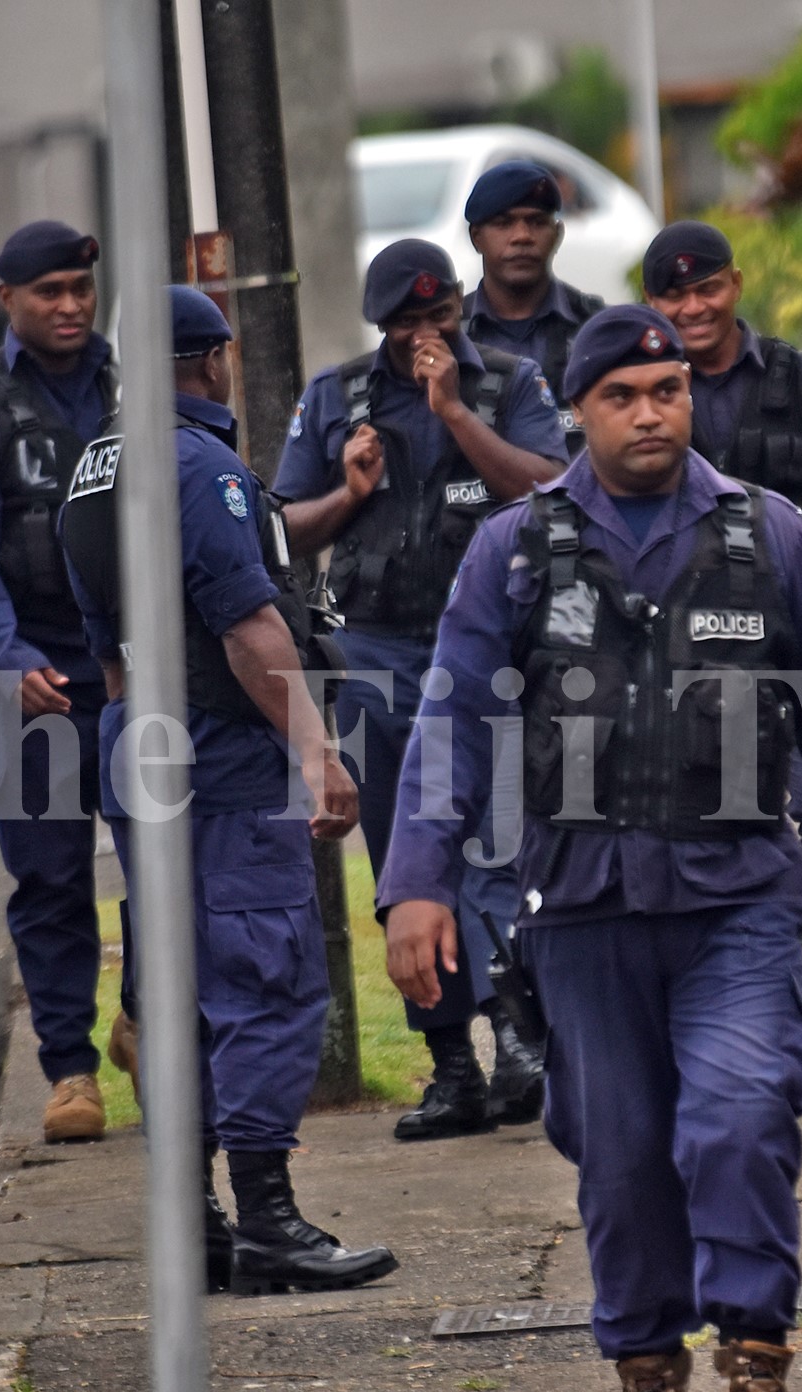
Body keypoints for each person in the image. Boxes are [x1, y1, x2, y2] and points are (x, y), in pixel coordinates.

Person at [381, 307, 802, 1392]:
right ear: (578, 408)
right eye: (623, 392)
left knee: (736, 1121)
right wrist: (416, 882)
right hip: (579, 911)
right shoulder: (517, 551)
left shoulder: (766, 536)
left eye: (667, 389)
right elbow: (451, 723)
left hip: (736, 900)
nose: (650, 412)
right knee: (622, 1167)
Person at [60, 286, 397, 1294]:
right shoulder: (201, 466)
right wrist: (314, 752)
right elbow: (249, 626)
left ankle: (197, 1220)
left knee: (174, 986)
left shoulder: (90, 467)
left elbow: (104, 648)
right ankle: (266, 1220)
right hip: (224, 754)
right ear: (210, 361)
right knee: (266, 977)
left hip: (141, 741)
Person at [274, 238, 568, 1141]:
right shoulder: (337, 396)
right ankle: (451, 1067)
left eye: (436, 319)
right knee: (407, 857)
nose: (422, 337)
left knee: (494, 846)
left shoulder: (510, 384)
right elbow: (285, 527)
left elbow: (556, 488)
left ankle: (519, 1033)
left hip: (492, 644)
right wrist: (349, 492)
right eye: (405, 324)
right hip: (375, 650)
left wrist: (454, 415)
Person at [641, 219, 802, 1090]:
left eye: (707, 289)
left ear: (735, 285)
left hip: (790, 627)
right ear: (654, 301)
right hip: (683, 651)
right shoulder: (644, 392)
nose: (693, 307)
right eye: (674, 293)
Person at [0, 221, 118, 1144]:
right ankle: (72, 1068)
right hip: (31, 669)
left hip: (134, 670)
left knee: (171, 855)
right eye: (50, 292)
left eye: (81, 287)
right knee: (50, 878)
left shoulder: (136, 386)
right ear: (10, 301)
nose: (71, 305)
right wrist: (8, 662)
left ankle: (149, 1015)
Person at [458, 159, 606, 451]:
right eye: (503, 223)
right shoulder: (450, 334)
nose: (522, 237)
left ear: (558, 234)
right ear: (477, 238)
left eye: (537, 222)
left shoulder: (597, 328)